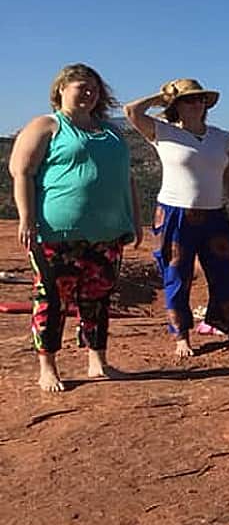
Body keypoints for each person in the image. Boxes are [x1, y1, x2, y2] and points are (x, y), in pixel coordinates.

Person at [9, 64, 140, 391]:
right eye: (81, 87)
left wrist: (134, 219)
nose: (89, 93)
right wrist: (26, 218)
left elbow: (127, 178)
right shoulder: (47, 125)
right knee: (52, 299)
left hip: (107, 232)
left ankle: (98, 360)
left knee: (97, 297)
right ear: (61, 90)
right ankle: (48, 367)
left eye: (94, 87)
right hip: (56, 232)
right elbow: (21, 171)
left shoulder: (111, 130)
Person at [125, 78, 229, 359]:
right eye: (189, 99)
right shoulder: (162, 131)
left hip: (215, 212)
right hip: (175, 212)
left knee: (226, 271)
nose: (196, 104)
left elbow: (228, 171)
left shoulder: (219, 136)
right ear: (176, 105)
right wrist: (160, 96)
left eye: (200, 99)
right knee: (177, 274)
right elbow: (131, 111)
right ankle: (181, 334)